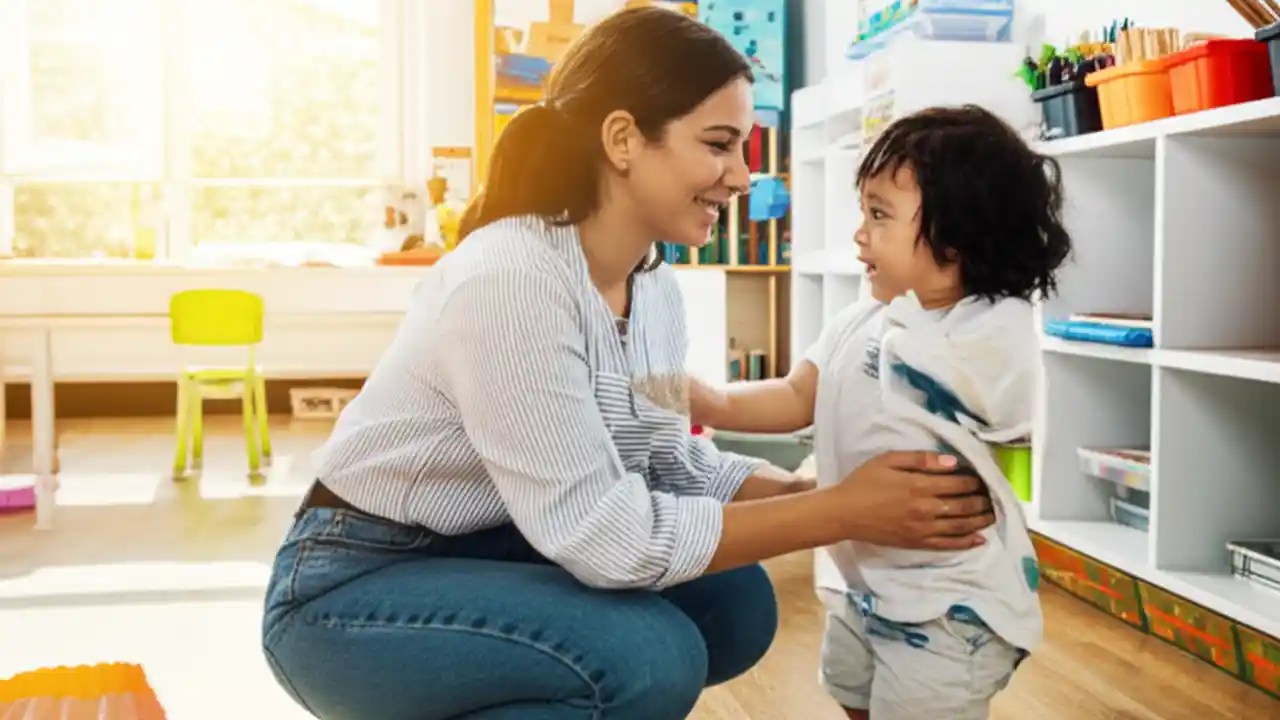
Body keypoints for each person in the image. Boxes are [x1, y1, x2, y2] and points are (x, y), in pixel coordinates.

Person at [261, 9, 995, 720]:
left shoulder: (654, 285)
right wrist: (838, 511)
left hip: (494, 549)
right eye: (718, 144)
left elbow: (667, 463)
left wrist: (808, 488)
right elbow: (605, 536)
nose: (740, 178)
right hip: (350, 593)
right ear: (622, 139)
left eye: (744, 148)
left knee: (732, 605)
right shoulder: (512, 279)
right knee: (649, 658)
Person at [691, 106, 1072, 719]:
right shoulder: (865, 317)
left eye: (879, 215)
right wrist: (709, 400)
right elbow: (796, 396)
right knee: (852, 695)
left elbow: (1012, 428)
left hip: (952, 604)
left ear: (955, 238)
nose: (859, 234)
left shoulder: (991, 331)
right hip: (866, 581)